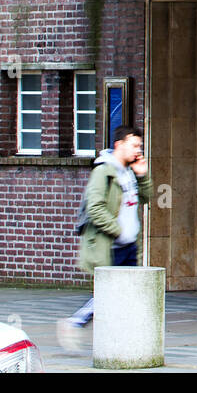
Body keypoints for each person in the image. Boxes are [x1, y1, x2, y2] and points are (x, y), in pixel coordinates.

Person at [57, 125, 152, 346]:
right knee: (110, 293)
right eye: (134, 145)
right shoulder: (104, 171)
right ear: (119, 144)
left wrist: (143, 176)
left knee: (126, 293)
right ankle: (75, 322)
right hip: (110, 244)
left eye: (140, 145)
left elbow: (146, 198)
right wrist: (117, 232)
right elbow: (95, 207)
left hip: (128, 245)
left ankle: (119, 339)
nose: (138, 150)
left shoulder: (129, 171)